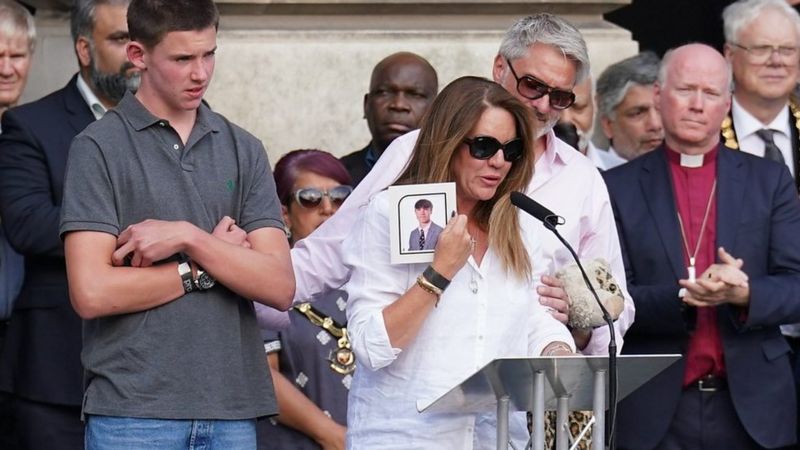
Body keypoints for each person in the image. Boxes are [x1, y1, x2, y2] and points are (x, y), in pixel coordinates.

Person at [293, 12, 634, 357]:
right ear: (500, 68)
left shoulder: (581, 177)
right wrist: (250, 291)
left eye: (560, 97)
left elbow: (613, 301)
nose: (544, 105)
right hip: (413, 392)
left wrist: (579, 329)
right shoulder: (416, 151)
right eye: (533, 85)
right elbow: (329, 252)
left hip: (521, 400)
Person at [59, 0, 294, 448]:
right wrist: (203, 268)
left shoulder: (244, 148)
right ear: (137, 55)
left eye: (209, 54)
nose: (200, 73)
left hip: (232, 410)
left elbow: (279, 285)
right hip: (132, 412)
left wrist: (188, 237)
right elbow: (91, 293)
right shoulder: (97, 148)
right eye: (183, 58)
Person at [344, 75, 574, 449]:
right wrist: (439, 273)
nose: (499, 162)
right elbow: (371, 346)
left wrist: (557, 350)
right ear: (449, 144)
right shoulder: (391, 214)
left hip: (496, 438)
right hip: (409, 437)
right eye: (484, 147)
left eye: (511, 149)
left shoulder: (518, 224)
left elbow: (530, 318)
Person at [604, 43, 800, 449]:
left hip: (753, 410)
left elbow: (796, 286)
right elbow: (611, 297)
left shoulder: (770, 181)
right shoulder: (615, 187)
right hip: (654, 409)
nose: (697, 105)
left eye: (710, 93)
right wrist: (681, 297)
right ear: (659, 95)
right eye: (685, 90)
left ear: (727, 102)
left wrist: (745, 293)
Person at [0, 1, 137, 448]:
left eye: (143, 41)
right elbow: (27, 223)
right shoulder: (31, 123)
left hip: (155, 374)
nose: (136, 53)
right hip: (57, 370)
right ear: (84, 48)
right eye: (120, 39)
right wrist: (137, 230)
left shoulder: (184, 123)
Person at [257, 149, 352, 450]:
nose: (328, 208)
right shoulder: (266, 275)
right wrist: (332, 435)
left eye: (340, 197)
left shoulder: (372, 274)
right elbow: (262, 375)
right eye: (310, 198)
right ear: (284, 212)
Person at [340, 52, 438, 186]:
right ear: (366, 105)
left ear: (435, 110)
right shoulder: (335, 177)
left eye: (415, 94)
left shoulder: (453, 176)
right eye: (384, 92)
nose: (398, 105)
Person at [595, 51, 664, 167]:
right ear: (608, 125)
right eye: (638, 113)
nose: (655, 125)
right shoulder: (594, 180)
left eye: (662, 110)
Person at [557, 76, 614, 169]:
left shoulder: (623, 172)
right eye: (555, 107)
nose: (566, 120)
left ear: (595, 105)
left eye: (578, 107)